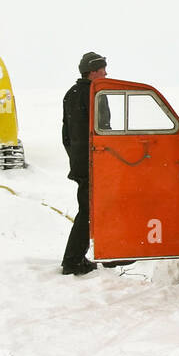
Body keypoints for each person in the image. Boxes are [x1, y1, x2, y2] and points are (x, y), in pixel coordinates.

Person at [61, 51, 109, 275]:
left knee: (88, 210)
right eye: (102, 70)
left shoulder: (71, 94)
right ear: (92, 72)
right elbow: (104, 131)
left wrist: (76, 158)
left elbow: (66, 135)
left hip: (81, 162)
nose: (106, 73)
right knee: (88, 212)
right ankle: (72, 261)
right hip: (94, 163)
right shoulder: (96, 94)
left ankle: (79, 256)